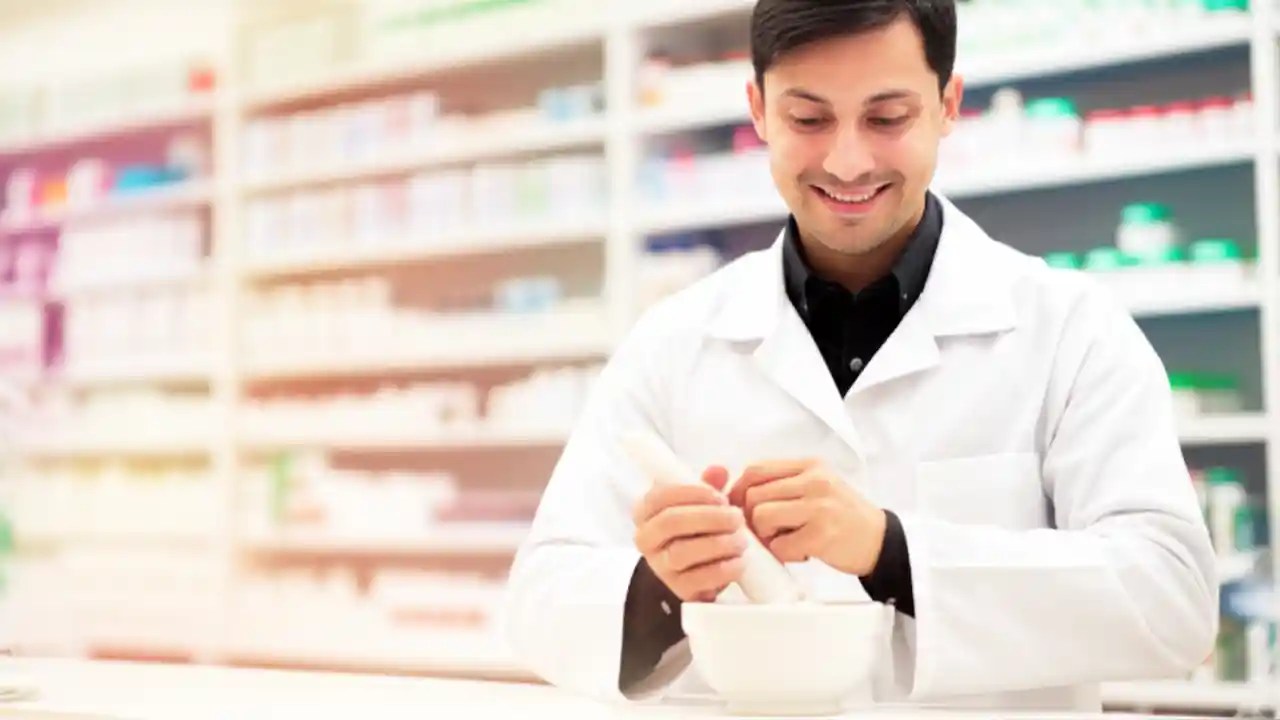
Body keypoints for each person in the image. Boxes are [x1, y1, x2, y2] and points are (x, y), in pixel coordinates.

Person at [501, 0, 1218, 711]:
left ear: (947, 105)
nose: (847, 162)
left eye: (887, 118)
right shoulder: (671, 343)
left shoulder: (1070, 330)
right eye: (808, 119)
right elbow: (540, 600)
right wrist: (662, 585)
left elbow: (1173, 597)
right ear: (758, 111)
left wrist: (891, 551)